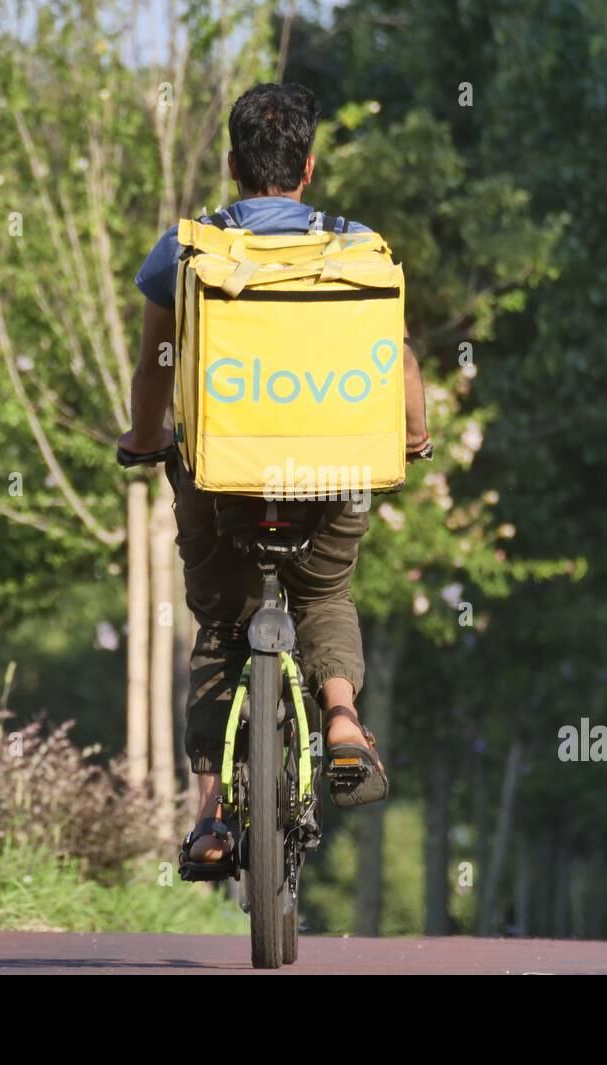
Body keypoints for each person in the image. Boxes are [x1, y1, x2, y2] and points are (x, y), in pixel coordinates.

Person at [117, 83, 431, 875]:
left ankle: (214, 815)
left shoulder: (186, 250)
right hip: (335, 475)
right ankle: (343, 717)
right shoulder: (358, 249)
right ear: (309, 168)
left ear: (232, 165)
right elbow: (395, 359)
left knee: (223, 624)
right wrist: (416, 436)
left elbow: (157, 362)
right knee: (323, 594)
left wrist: (146, 438)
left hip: (220, 481)